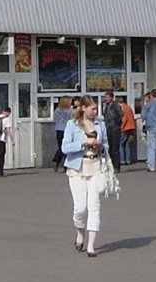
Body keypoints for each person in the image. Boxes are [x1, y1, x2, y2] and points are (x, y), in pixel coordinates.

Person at [61, 99, 108, 256]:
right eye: (93, 109)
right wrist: (83, 143)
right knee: (80, 208)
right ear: (83, 108)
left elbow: (107, 144)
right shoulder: (72, 124)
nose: (95, 112)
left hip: (96, 166)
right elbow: (65, 147)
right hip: (77, 168)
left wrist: (100, 145)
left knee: (94, 206)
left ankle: (91, 246)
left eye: (96, 109)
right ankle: (80, 233)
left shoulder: (100, 124)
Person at [102, 91, 123, 169]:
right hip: (108, 128)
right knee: (109, 147)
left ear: (111, 97)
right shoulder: (106, 106)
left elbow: (121, 114)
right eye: (106, 97)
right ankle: (111, 164)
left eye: (108, 97)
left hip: (115, 128)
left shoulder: (115, 105)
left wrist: (117, 123)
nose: (106, 99)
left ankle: (117, 166)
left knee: (115, 148)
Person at [51, 96, 72, 173]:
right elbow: (71, 120)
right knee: (65, 147)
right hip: (66, 129)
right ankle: (65, 165)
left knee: (60, 147)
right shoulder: (70, 110)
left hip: (58, 129)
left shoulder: (57, 110)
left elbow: (54, 120)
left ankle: (56, 162)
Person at [118, 95, 137, 165]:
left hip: (125, 128)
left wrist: (121, 127)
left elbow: (124, 119)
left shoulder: (122, 108)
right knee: (127, 144)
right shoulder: (129, 107)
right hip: (131, 127)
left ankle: (122, 160)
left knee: (121, 144)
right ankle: (128, 160)